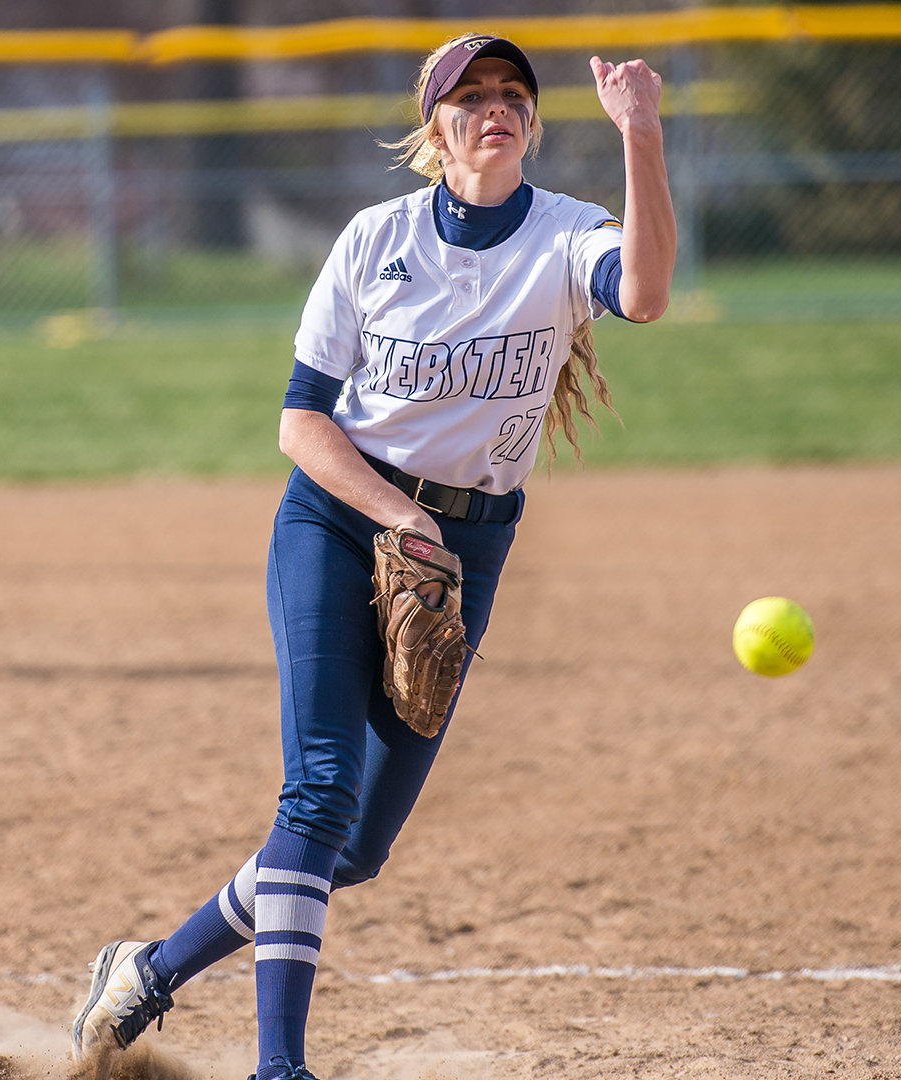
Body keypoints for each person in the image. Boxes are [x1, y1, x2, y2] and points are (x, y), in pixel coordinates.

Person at [69, 36, 674, 1080]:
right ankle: (279, 1067)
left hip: (465, 551)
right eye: (471, 96)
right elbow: (301, 423)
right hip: (338, 520)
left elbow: (650, 293)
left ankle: (151, 970)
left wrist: (644, 139)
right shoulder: (376, 239)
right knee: (316, 797)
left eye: (512, 95)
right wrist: (396, 512)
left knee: (354, 849)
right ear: (435, 131)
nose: (497, 107)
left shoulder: (568, 237)